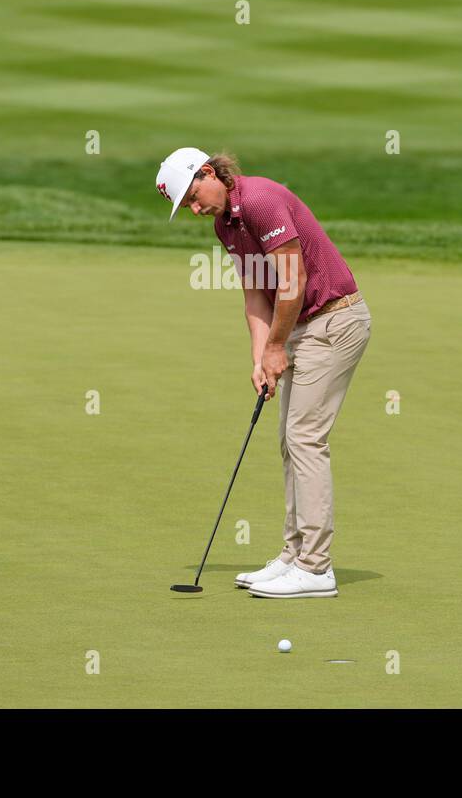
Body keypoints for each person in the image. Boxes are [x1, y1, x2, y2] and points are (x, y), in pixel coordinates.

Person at [155, 148, 372, 598]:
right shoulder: (225, 224)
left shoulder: (260, 200)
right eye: (187, 207)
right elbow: (256, 293)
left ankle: (316, 568)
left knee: (305, 437)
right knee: (290, 440)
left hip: (335, 321)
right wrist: (260, 359)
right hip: (301, 326)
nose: (195, 210)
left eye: (193, 197)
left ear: (209, 173)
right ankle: (294, 555)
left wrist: (276, 346)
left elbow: (292, 282)